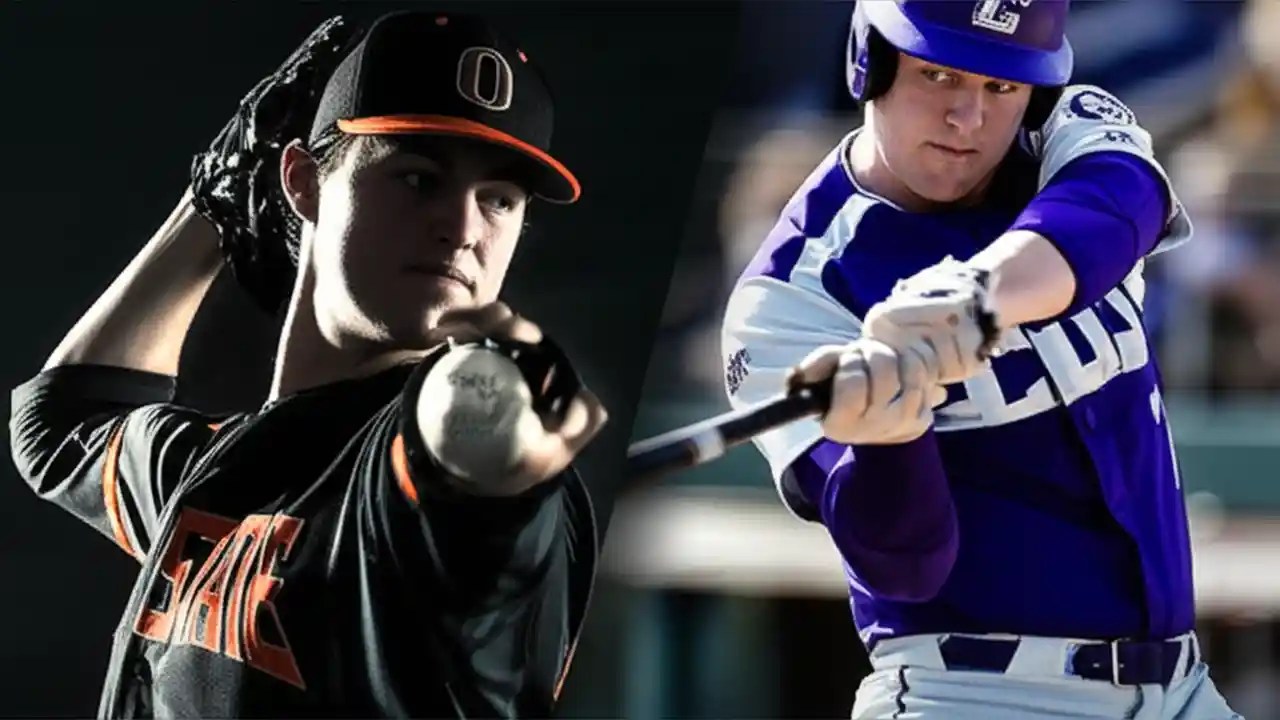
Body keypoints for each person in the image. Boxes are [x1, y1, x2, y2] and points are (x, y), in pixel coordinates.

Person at [9, 10, 607, 718]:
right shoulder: (220, 471)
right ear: (302, 180)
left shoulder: (416, 469)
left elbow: (464, 500)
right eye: (419, 179)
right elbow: (58, 420)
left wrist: (495, 464)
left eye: (499, 200)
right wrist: (214, 204)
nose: (463, 227)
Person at [722, 1, 1241, 718]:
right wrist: (889, 438)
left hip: (1181, 688)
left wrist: (976, 296)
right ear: (869, 59)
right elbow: (904, 567)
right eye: (939, 74)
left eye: (1001, 86)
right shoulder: (790, 297)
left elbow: (1119, 205)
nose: (967, 118)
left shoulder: (1066, 134)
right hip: (968, 692)